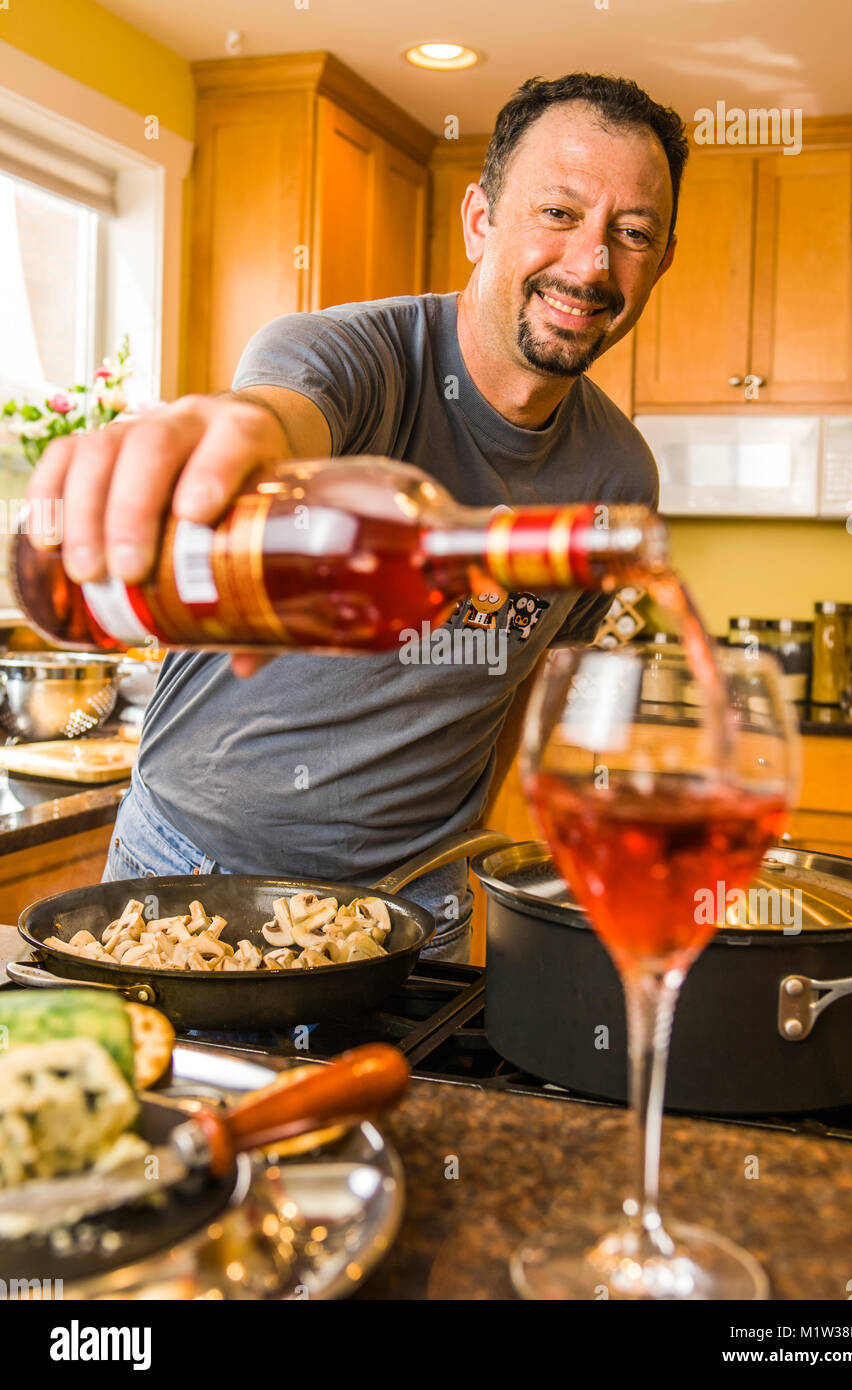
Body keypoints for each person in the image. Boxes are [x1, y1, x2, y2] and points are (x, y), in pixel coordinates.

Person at [27, 72, 687, 962]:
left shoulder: (616, 475)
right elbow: (278, 411)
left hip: (414, 907)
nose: (591, 264)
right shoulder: (349, 354)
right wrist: (232, 431)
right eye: (558, 213)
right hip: (184, 873)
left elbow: (529, 672)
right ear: (480, 220)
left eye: (632, 232)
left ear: (661, 258)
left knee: (399, 1110)